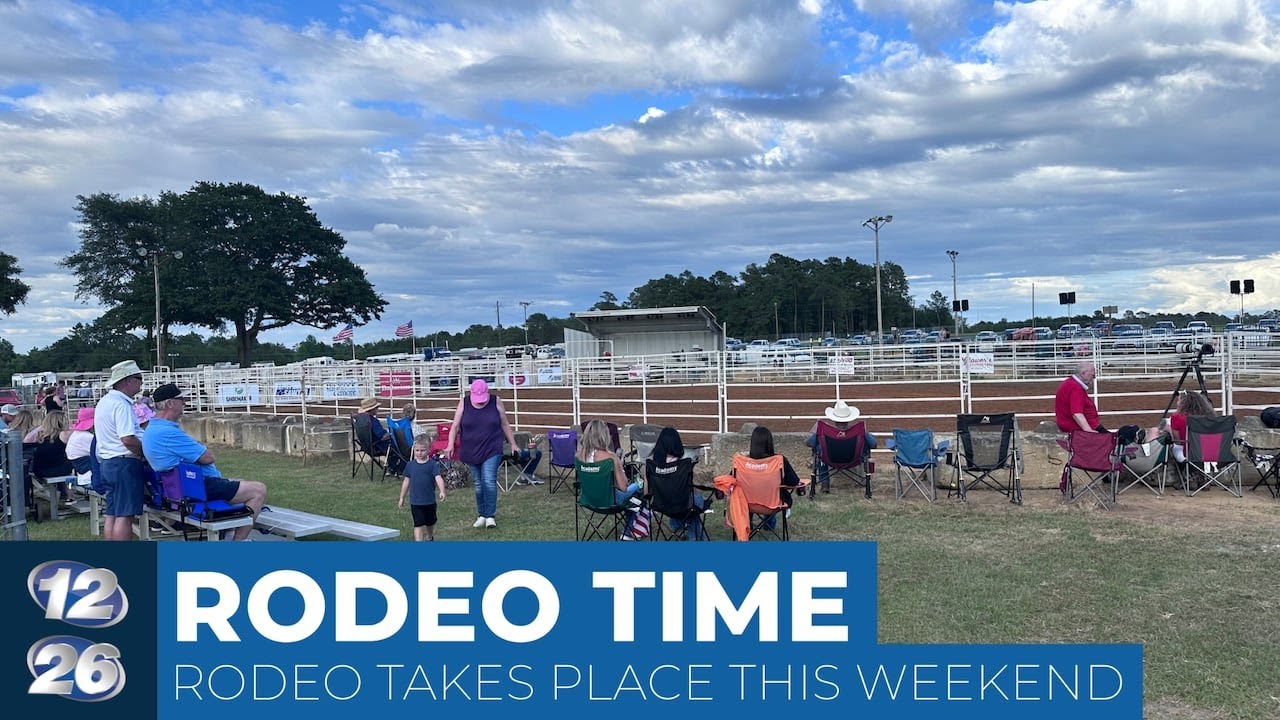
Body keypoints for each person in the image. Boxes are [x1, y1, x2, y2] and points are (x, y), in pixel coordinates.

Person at [140, 383, 267, 541]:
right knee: (258, 490)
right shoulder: (167, 432)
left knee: (239, 482)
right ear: (170, 403)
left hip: (180, 488)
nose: (185, 403)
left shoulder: (153, 429)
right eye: (181, 399)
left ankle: (229, 533)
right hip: (196, 488)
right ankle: (238, 543)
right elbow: (208, 457)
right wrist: (200, 447)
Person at [449, 379, 518, 529]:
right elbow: (455, 426)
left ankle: (490, 516)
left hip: (492, 447)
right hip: (471, 448)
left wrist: (513, 443)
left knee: (488, 480)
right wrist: (450, 445)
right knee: (478, 483)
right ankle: (482, 514)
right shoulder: (464, 403)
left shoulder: (496, 401)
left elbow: (505, 423)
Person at [94, 360, 149, 541]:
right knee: (125, 515)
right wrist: (145, 454)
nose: (141, 383)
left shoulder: (105, 402)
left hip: (109, 463)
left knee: (113, 513)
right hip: (124, 463)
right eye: (139, 379)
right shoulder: (122, 405)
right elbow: (127, 438)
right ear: (128, 381)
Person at [577, 418, 642, 536]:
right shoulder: (611, 458)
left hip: (588, 500)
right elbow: (624, 487)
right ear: (604, 435)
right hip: (610, 501)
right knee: (638, 487)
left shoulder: (579, 457)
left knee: (631, 494)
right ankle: (629, 531)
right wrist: (620, 467)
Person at [806, 399, 877, 492]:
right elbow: (873, 444)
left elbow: (809, 443)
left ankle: (825, 482)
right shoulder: (859, 430)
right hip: (854, 460)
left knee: (819, 449)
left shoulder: (825, 430)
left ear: (834, 419)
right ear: (849, 419)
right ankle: (864, 479)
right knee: (865, 446)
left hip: (829, 460)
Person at [650, 426, 705, 540]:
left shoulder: (652, 466)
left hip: (662, 505)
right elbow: (693, 489)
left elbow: (647, 491)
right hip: (682, 505)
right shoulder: (683, 465)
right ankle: (695, 538)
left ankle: (677, 527)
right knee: (694, 503)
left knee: (682, 505)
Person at [748, 425, 802, 530]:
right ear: (769, 443)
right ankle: (768, 525)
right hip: (772, 504)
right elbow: (793, 481)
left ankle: (746, 523)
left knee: (750, 491)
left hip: (747, 504)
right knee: (772, 492)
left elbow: (732, 478)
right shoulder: (779, 461)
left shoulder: (743, 463)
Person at [398, 436, 447, 541]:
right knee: (418, 524)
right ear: (413, 449)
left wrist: (442, 491)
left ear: (429, 450)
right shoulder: (410, 465)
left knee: (430, 522)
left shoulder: (432, 465)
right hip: (415, 502)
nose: (419, 453)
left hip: (429, 501)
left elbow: (438, 478)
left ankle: (429, 537)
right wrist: (402, 497)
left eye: (423, 450)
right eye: (417, 450)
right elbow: (406, 482)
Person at [30, 410, 75, 503]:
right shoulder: (63, 434)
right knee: (72, 466)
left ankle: (63, 493)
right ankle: (70, 495)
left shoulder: (41, 435)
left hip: (40, 469)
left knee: (63, 464)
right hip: (55, 469)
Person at [1055, 361, 1104, 433]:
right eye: (1092, 375)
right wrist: (1088, 430)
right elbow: (1077, 413)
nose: (1093, 378)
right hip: (1077, 428)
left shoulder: (1068, 383)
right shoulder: (1076, 388)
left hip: (1068, 425)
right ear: (1083, 373)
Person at [65, 407, 95, 488]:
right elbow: (101, 454)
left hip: (82, 476)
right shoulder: (88, 437)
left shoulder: (75, 434)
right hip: (91, 478)